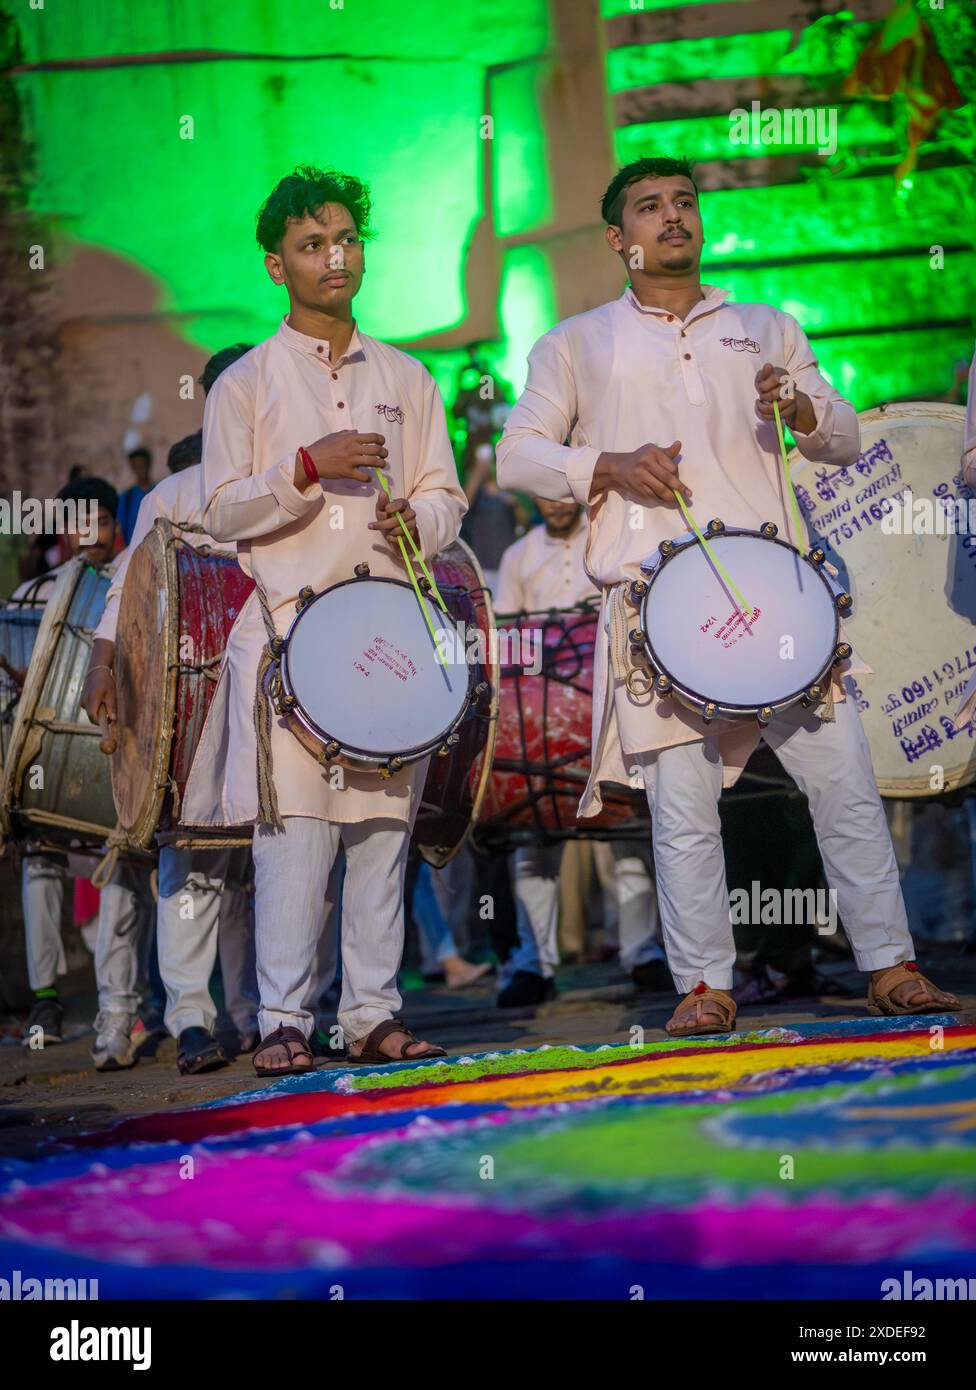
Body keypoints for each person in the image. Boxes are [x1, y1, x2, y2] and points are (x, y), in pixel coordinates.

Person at [496, 154, 959, 1037]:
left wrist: (803, 412)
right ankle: (705, 984)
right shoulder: (576, 343)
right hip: (656, 604)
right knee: (682, 805)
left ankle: (892, 967)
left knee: (845, 784)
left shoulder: (765, 326)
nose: (672, 218)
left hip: (779, 597)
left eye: (683, 203)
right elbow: (519, 453)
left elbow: (848, 436)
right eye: (649, 208)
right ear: (617, 237)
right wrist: (608, 465)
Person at [179, 164, 467, 1075]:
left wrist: (413, 520)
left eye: (346, 239)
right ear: (277, 266)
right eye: (312, 244)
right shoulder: (248, 385)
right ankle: (284, 1020)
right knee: (296, 837)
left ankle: (374, 1014)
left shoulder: (409, 376)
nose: (335, 256)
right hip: (290, 632)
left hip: (391, 630)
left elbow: (445, 497)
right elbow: (219, 513)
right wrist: (306, 465)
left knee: (383, 830)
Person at [82, 345, 262, 1075]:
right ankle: (192, 1016)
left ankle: (266, 1015)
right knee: (194, 853)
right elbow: (126, 591)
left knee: (277, 856)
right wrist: (103, 662)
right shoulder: (179, 492)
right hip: (193, 703)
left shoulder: (302, 483)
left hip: (279, 694)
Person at [3, 479, 156, 1065]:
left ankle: (124, 1005)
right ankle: (46, 996)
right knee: (39, 857)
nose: (88, 536)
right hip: (49, 764)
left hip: (114, 759)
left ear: (114, 529)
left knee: (123, 871)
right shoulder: (30, 595)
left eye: (98, 523)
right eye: (77, 525)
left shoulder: (131, 587)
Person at [492, 495, 667, 1004]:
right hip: (541, 725)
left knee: (628, 832)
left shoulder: (613, 538)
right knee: (532, 839)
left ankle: (642, 953)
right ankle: (534, 963)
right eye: (542, 491)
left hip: (611, 711)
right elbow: (505, 644)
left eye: (562, 490)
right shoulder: (518, 556)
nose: (552, 501)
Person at [116, 447, 153, 545]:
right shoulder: (125, 498)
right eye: (137, 466)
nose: (140, 469)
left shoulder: (159, 492)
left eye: (142, 465)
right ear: (132, 468)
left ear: (149, 465)